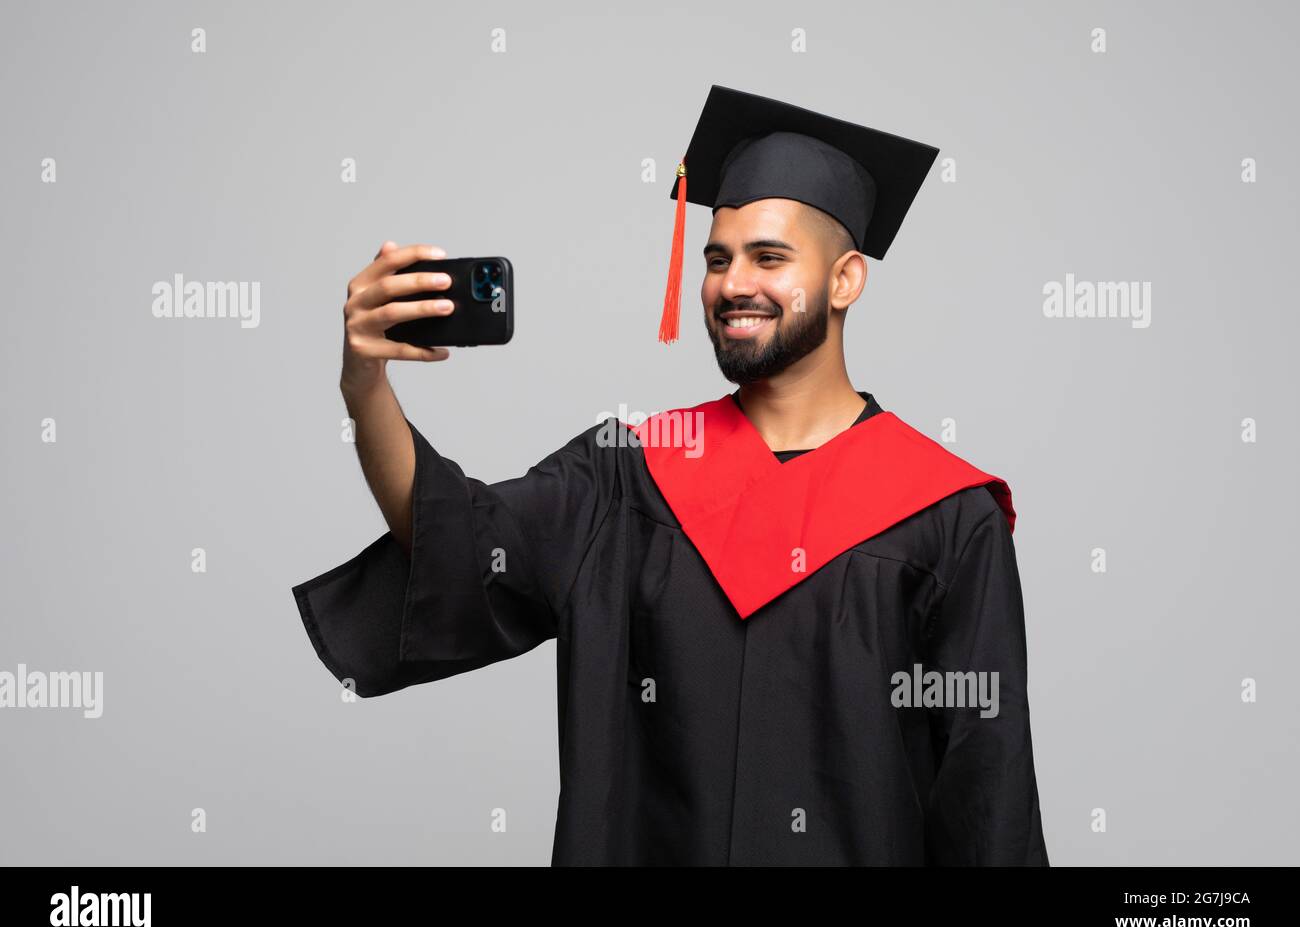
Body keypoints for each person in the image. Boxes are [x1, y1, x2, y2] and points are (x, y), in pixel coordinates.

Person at [292, 85, 1049, 866]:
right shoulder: (629, 475)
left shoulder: (949, 517)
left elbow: (987, 794)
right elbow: (454, 537)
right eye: (718, 259)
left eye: (770, 257)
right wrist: (366, 386)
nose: (733, 284)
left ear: (846, 279)